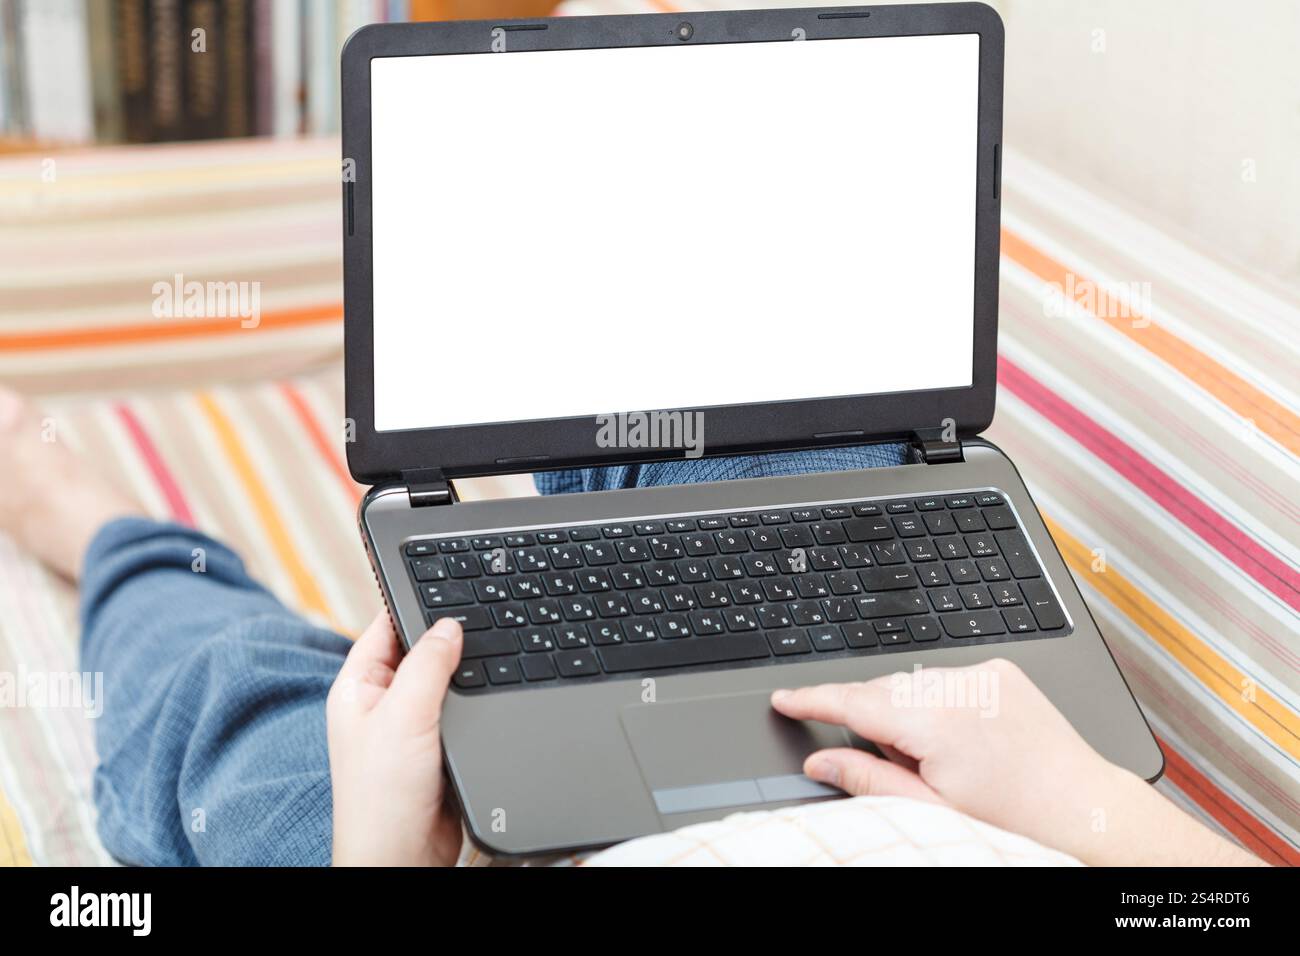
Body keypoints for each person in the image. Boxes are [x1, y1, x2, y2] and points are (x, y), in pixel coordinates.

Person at [0, 389, 1262, 867]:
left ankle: (107, 531)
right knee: (802, 431)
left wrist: (381, 857)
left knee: (239, 703)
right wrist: (1080, 800)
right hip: (958, 793)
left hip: (474, 851)